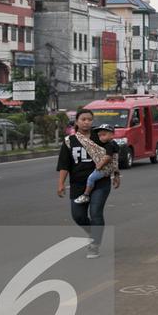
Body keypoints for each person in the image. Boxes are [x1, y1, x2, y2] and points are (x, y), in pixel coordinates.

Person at [56, 108, 119, 259]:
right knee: (78, 216)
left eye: (89, 119)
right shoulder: (69, 141)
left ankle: (94, 245)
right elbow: (64, 165)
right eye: (83, 119)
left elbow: (113, 152)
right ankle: (95, 233)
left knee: (96, 212)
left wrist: (116, 174)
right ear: (76, 121)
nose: (86, 122)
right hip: (78, 183)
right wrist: (60, 184)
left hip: (100, 182)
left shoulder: (99, 137)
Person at [73, 123, 121, 204]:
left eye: (104, 135)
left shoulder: (109, 145)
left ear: (112, 135)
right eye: (100, 135)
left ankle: (86, 195)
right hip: (110, 168)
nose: (101, 137)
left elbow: (108, 157)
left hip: (105, 168)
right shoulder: (113, 143)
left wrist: (100, 165)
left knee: (91, 178)